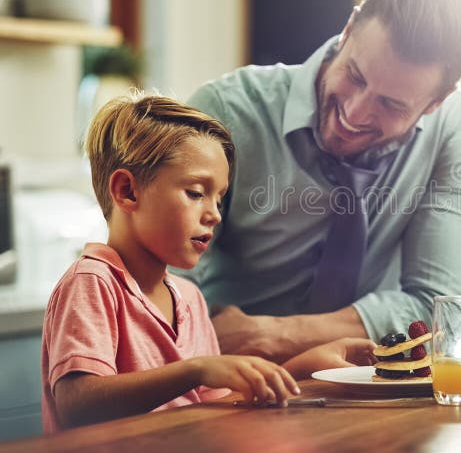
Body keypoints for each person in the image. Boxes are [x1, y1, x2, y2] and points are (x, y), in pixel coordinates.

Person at [177, 0, 461, 362]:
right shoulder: (224, 113)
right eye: (356, 76)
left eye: (391, 104)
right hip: (226, 377)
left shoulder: (455, 123)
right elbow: (149, 287)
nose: (355, 115)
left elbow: (448, 309)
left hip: (369, 389)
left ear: (435, 103)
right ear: (349, 29)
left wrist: (279, 334)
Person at [41, 96, 375, 433]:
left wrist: (305, 366)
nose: (214, 213)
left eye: (219, 197)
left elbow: (216, 405)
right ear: (127, 191)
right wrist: (197, 369)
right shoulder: (92, 283)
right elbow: (77, 405)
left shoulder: (189, 298)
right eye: (196, 192)